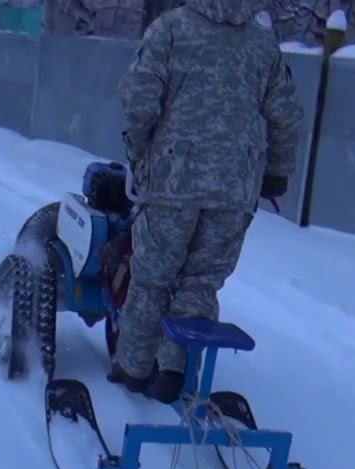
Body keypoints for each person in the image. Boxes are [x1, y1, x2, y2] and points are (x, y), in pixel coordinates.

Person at [109, 0, 304, 404]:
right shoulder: (262, 43)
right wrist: (276, 172)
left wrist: (139, 149)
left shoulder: (170, 29)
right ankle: (172, 373)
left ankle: (132, 369)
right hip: (235, 187)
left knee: (152, 277)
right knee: (200, 280)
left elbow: (140, 100)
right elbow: (287, 114)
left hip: (173, 180)